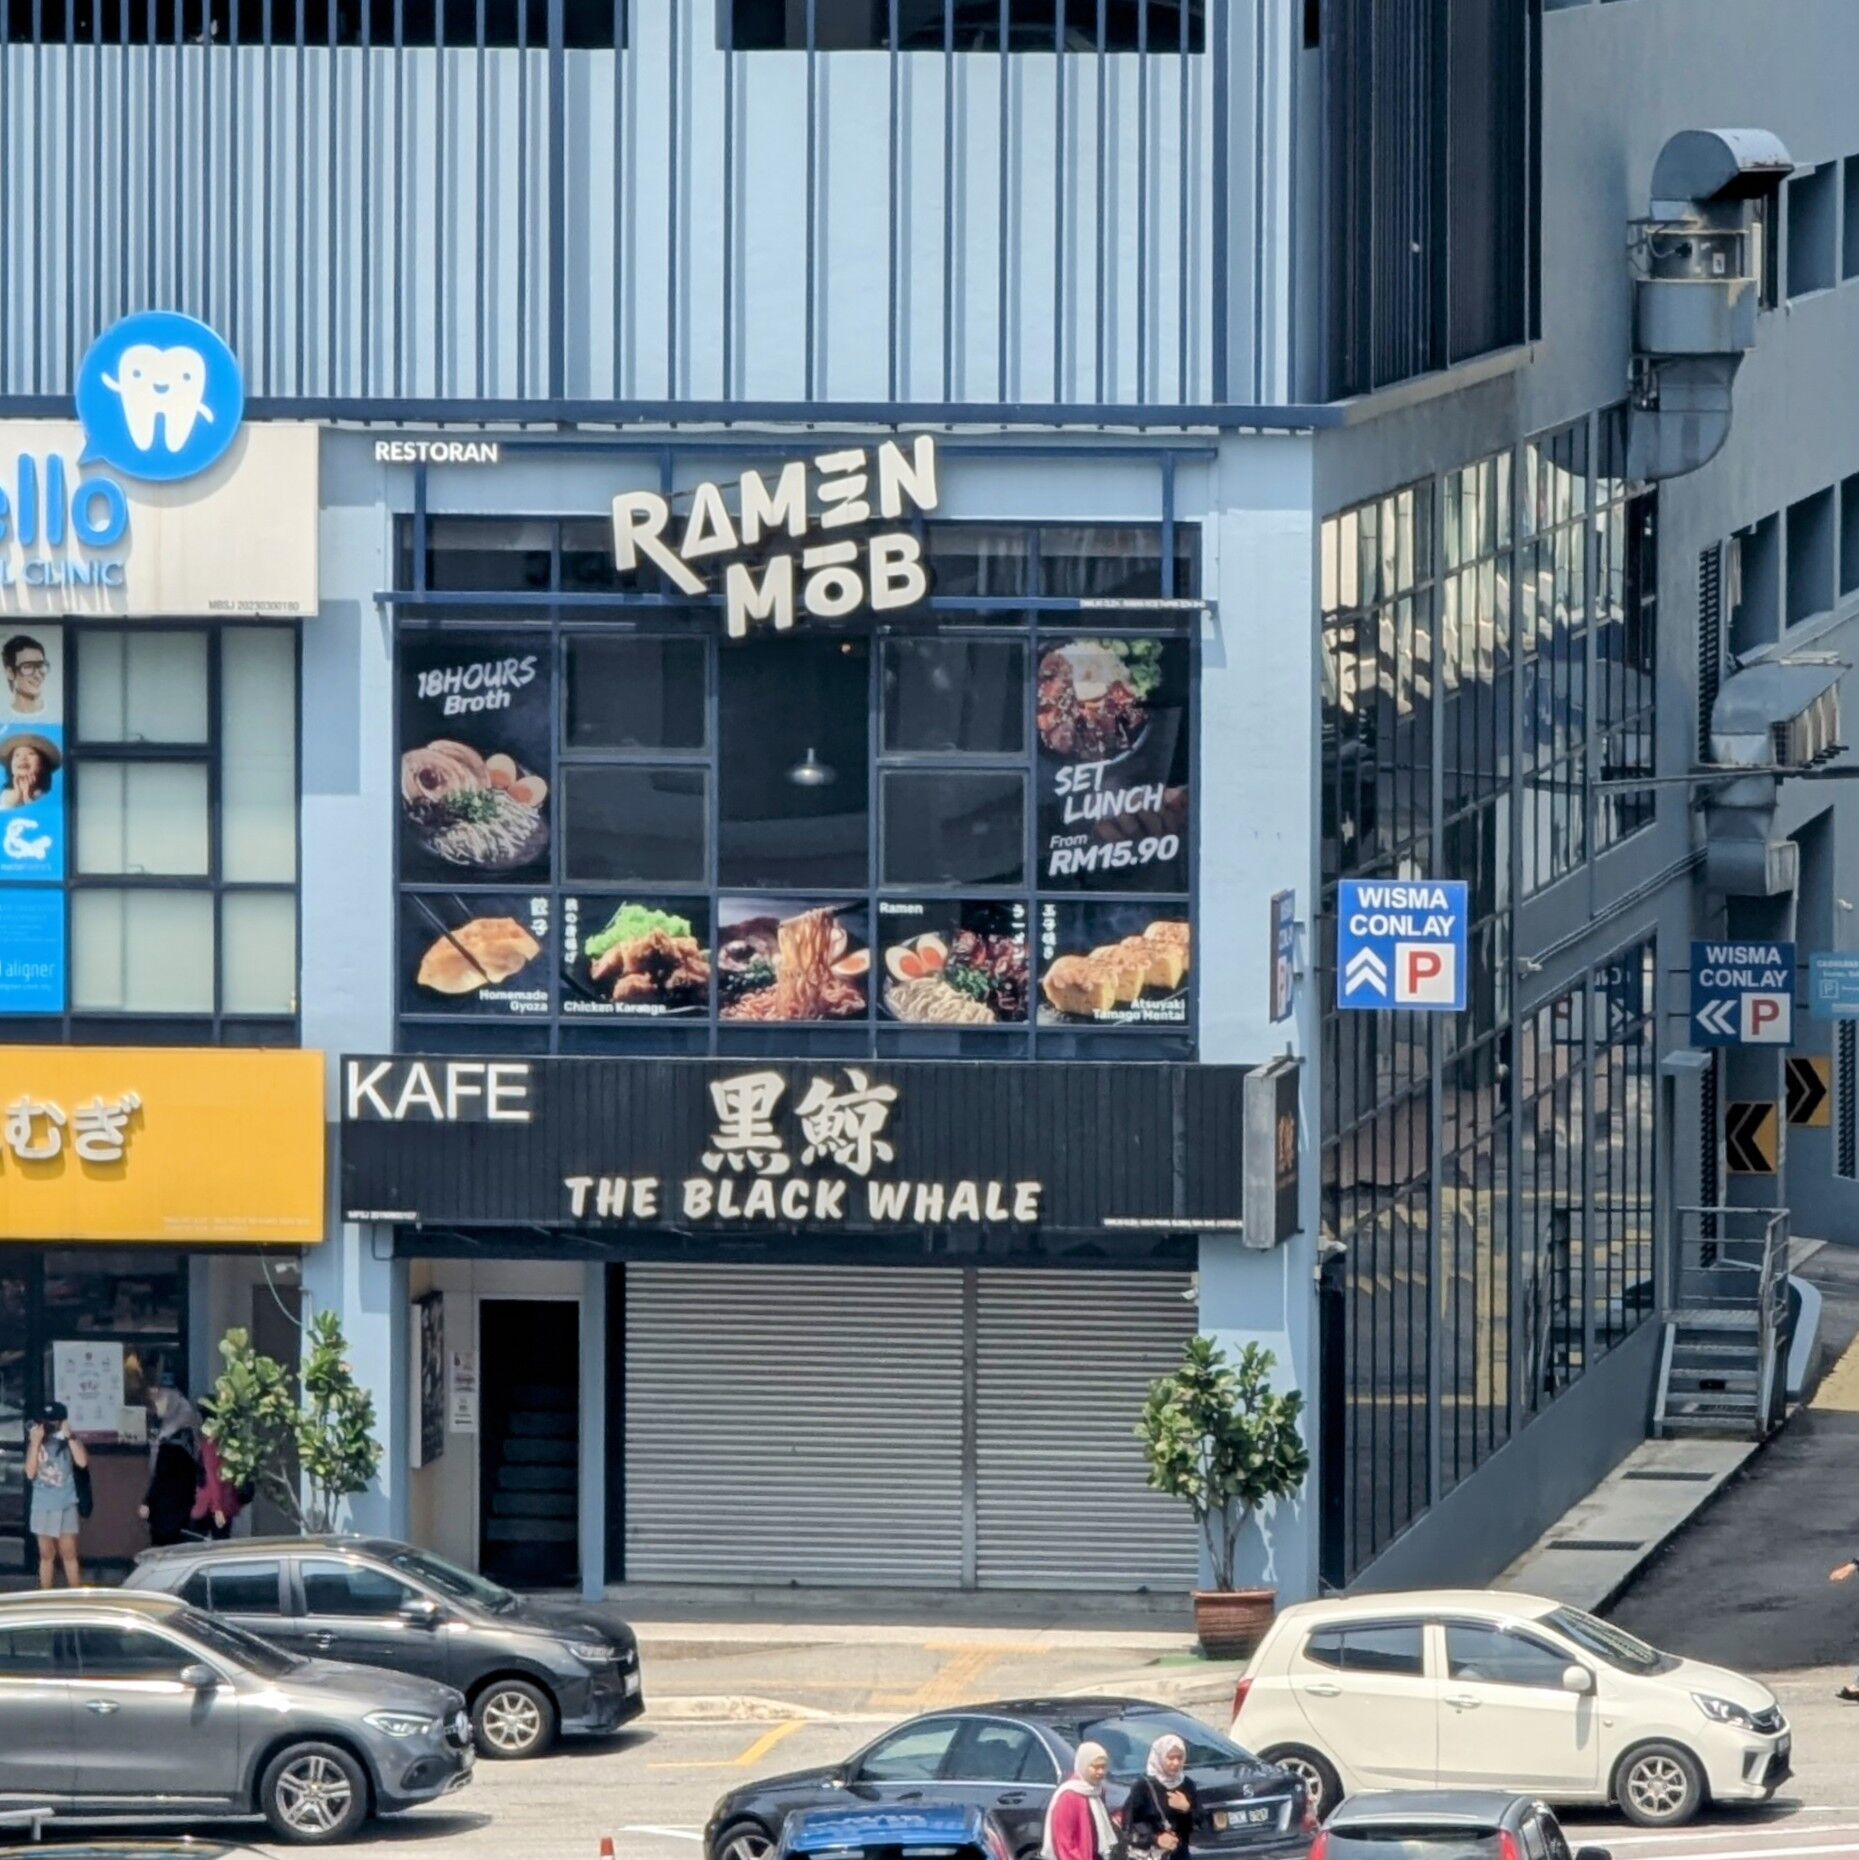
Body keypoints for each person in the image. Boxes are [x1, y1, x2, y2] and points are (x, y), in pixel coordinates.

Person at [25, 1401, 88, 1589]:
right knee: (46, 1555)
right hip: (42, 1505)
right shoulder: (36, 1440)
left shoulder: (68, 1441)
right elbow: (29, 1473)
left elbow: (82, 1462)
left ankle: (76, 1596)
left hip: (66, 1503)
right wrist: (35, 1443)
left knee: (69, 1554)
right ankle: (45, 1594)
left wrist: (71, 1436)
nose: (50, 1426)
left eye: (54, 1422)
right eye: (47, 1422)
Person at [140, 1377, 204, 1547]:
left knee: (165, 1549)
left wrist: (147, 1501)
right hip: (181, 1503)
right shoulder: (175, 1426)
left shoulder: (176, 1431)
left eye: (161, 1398)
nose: (157, 1404)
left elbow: (162, 1476)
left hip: (171, 1507)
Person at [1125, 1733, 1198, 1860]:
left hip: (1180, 1854)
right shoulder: (1143, 1787)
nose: (1175, 1763)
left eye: (1180, 1758)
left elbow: (1200, 1824)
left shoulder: (1187, 1785)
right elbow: (1128, 1826)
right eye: (1170, 1758)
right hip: (1151, 1854)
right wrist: (1156, 1839)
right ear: (1159, 1757)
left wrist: (1186, 1808)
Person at [1043, 1743, 1117, 1860]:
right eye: (1095, 1767)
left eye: (1103, 1767)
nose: (1100, 1772)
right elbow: (1064, 1842)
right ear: (1084, 1765)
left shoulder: (1096, 1792)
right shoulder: (1070, 1795)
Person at [191, 1400, 243, 1542]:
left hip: (211, 1504)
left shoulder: (212, 1442)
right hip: (222, 1502)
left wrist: (217, 1508)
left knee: (196, 1546)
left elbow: (213, 1476)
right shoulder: (225, 1440)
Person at [0, 732, 59, 809]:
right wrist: (17, 794)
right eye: (17, 755)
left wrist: (27, 796)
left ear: (43, 765)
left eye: (31, 754)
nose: (23, 758)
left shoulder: (49, 798)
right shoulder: (4, 796)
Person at [2, 636, 50, 716]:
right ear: (10, 673)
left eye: (40, 665)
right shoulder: (3, 715)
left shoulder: (56, 712)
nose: (37, 675)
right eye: (28, 666)